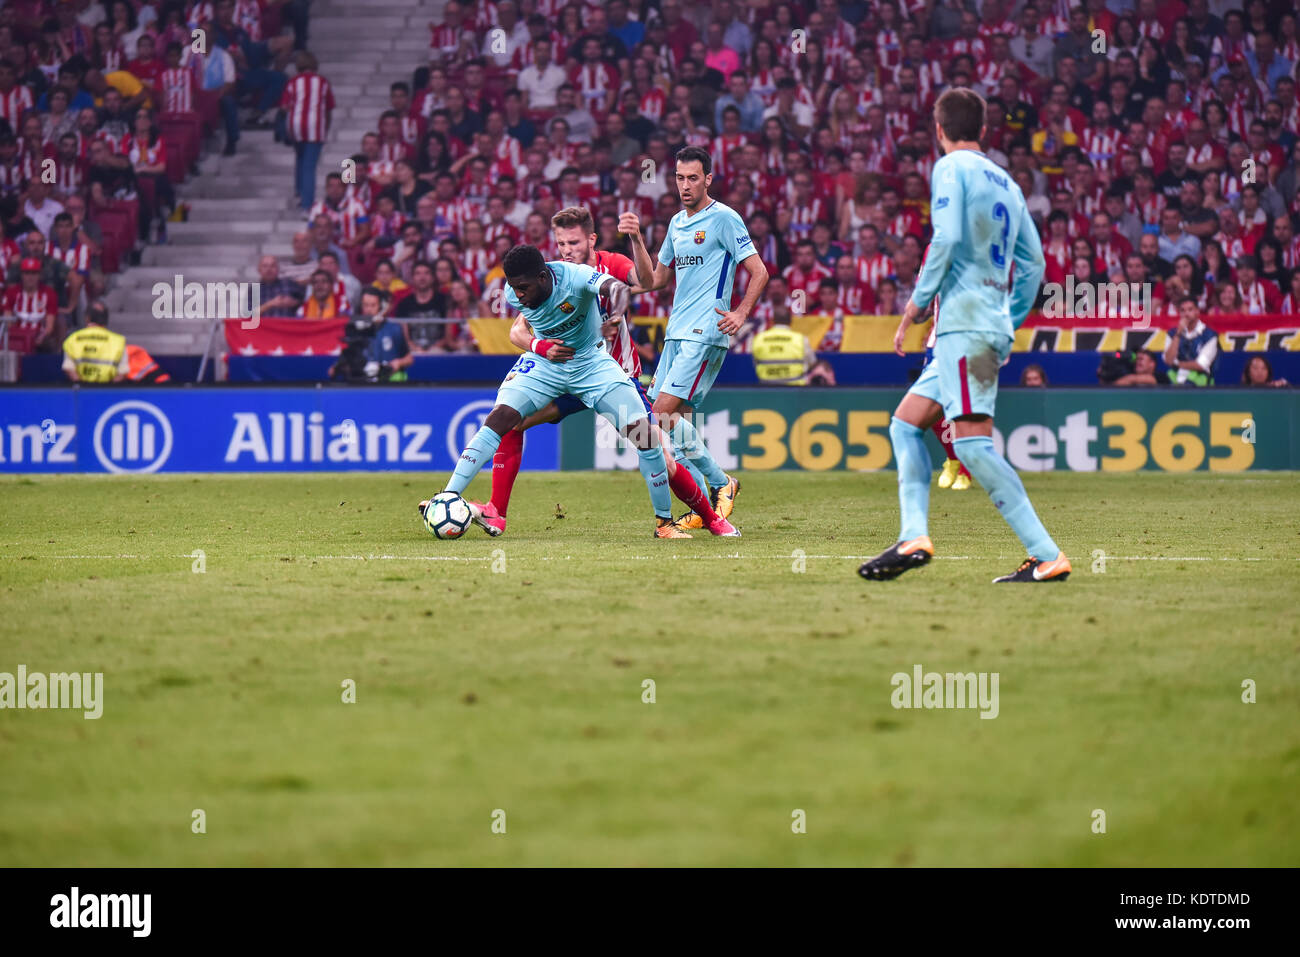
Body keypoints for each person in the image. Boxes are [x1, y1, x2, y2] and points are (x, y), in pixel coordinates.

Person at [860, 88, 1070, 584]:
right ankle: (913, 534)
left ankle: (1046, 554)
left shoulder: (950, 169)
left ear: (939, 129)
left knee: (973, 446)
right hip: (982, 323)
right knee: (907, 424)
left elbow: (947, 237)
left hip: (963, 325)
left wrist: (915, 305)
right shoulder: (1009, 184)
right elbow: (1035, 264)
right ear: (983, 129)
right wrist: (1008, 318)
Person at [423, 244, 739, 539]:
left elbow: (613, 287)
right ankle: (450, 495)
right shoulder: (514, 291)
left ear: (544, 276)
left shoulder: (574, 276)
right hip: (545, 364)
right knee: (501, 417)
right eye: (515, 287)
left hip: (591, 364)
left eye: (524, 288)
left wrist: (615, 308)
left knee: (647, 438)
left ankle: (692, 521)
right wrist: (540, 345)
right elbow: (519, 332)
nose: (518, 295)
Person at [618, 145, 768, 532]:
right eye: (679, 178)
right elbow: (656, 280)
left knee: (653, 424)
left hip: (705, 334)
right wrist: (634, 243)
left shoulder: (724, 219)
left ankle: (693, 504)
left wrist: (740, 313)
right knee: (673, 421)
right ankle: (719, 487)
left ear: (708, 179)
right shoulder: (676, 223)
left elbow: (759, 271)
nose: (685, 185)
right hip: (676, 335)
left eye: (693, 178)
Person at [280, 51, 334, 210]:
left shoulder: (292, 82)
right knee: (309, 166)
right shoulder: (323, 82)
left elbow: (284, 107)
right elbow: (329, 109)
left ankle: (299, 191)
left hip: (295, 126)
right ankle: (307, 205)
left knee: (300, 159)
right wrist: (326, 129)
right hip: (315, 126)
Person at [61, 301, 127, 382]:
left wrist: (83, 387)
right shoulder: (118, 341)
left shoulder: (72, 339)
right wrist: (109, 389)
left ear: (87, 318)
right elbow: (123, 372)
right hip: (108, 391)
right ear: (106, 319)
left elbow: (69, 368)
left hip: (82, 391)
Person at [1163, 297, 1218, 386]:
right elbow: (1169, 360)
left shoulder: (1209, 335)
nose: (1186, 314)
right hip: (1175, 375)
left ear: (1197, 311)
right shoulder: (1172, 333)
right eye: (1183, 310)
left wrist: (1176, 364)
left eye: (1190, 309)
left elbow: (1200, 365)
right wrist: (1178, 333)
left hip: (1199, 377)